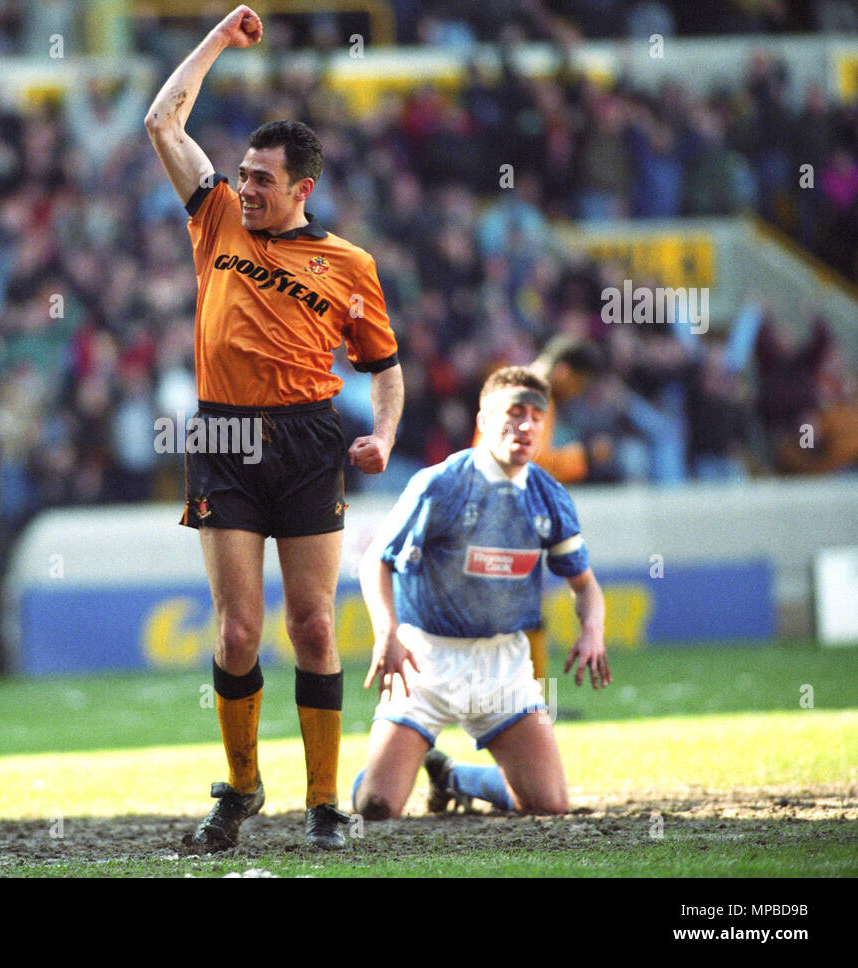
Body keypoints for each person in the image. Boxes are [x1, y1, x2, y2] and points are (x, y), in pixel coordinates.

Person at [145, 5, 404, 850]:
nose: (246, 187)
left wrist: (387, 436)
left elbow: (385, 367)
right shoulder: (213, 215)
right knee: (236, 629)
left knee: (316, 627)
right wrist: (219, 37)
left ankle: (325, 801)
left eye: (262, 179)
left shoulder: (348, 266)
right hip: (222, 435)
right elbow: (162, 120)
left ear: (303, 190)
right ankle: (243, 786)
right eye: (244, 173)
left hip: (306, 438)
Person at [352, 366, 610, 820]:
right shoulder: (441, 484)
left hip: (502, 665)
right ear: (484, 420)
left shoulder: (549, 495)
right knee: (376, 808)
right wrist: (386, 632)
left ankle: (456, 777)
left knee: (549, 805)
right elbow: (376, 560)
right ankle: (381, 774)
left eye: (536, 416)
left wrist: (592, 628)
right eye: (514, 413)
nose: (527, 425)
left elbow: (585, 586)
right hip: (423, 661)